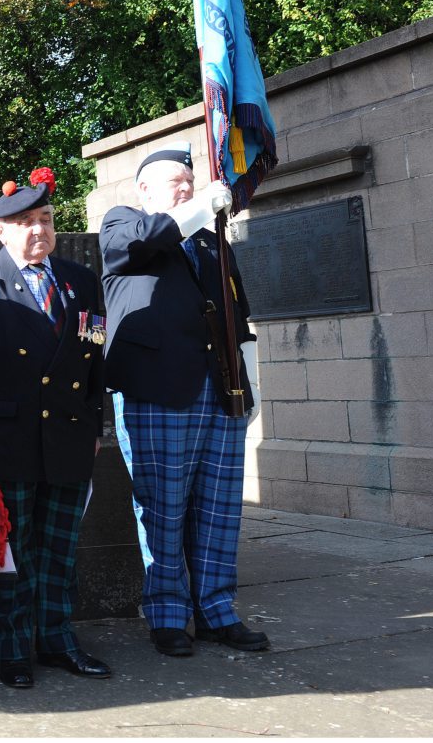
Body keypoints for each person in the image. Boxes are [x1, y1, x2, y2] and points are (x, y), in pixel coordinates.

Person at [0, 168, 111, 689]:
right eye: (25, 222)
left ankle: (58, 641)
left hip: (70, 437)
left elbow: (94, 354)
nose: (38, 230)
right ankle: (13, 650)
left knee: (61, 549)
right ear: (1, 231)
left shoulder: (81, 279)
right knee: (11, 552)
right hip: (7, 441)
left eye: (46, 219)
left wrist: (96, 421)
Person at [100, 142, 268, 658]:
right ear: (144, 187)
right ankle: (169, 615)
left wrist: (251, 376)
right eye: (175, 181)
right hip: (158, 389)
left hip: (220, 389)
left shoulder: (211, 239)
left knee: (219, 509)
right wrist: (196, 210)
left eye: (189, 182)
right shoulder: (123, 222)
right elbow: (148, 240)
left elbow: (237, 313)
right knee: (164, 508)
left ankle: (216, 609)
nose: (186, 188)